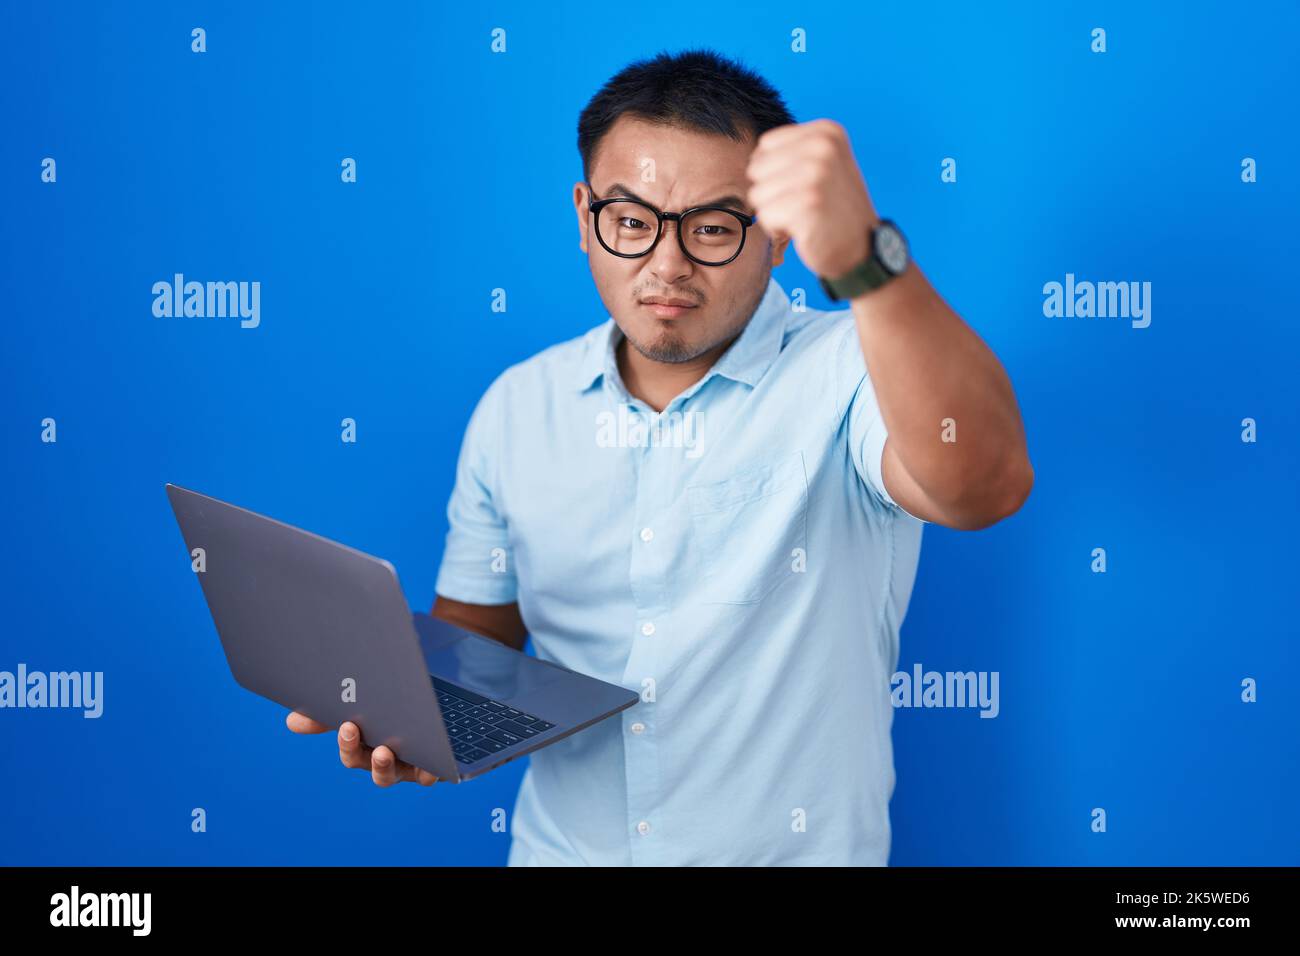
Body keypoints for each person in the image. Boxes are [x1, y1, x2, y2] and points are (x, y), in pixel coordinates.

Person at [289, 48, 1033, 865]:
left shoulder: (856, 369)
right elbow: (480, 640)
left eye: (713, 228)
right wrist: (411, 711)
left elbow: (984, 486)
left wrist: (866, 254)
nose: (668, 265)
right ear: (584, 215)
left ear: (777, 234)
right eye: (632, 222)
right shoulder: (517, 405)